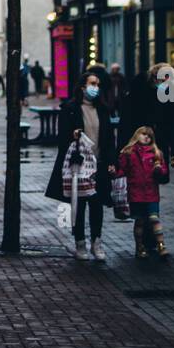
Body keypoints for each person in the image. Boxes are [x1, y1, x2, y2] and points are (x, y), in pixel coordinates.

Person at [45, 71, 115, 262]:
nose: (96, 88)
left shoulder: (102, 109)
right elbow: (61, 138)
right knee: (79, 205)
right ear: (82, 87)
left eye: (98, 84)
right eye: (93, 84)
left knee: (97, 205)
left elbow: (109, 138)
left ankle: (96, 243)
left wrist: (111, 162)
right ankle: (80, 243)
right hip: (79, 165)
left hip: (98, 164)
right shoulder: (71, 108)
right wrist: (72, 134)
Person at [117, 124, 170, 259]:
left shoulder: (156, 153)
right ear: (136, 135)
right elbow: (122, 170)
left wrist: (159, 171)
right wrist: (114, 173)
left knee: (154, 218)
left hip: (151, 192)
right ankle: (140, 247)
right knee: (139, 221)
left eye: (149, 136)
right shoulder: (128, 152)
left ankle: (161, 244)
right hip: (136, 193)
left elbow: (163, 171)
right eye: (143, 134)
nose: (146, 137)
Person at [122, 63, 174, 177]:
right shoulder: (139, 89)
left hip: (160, 141)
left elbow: (173, 123)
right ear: (155, 78)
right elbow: (127, 120)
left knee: (158, 176)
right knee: (140, 178)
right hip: (140, 141)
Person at [106, 63, 127, 154]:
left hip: (119, 98)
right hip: (112, 99)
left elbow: (125, 86)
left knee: (120, 112)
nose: (115, 70)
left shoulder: (121, 77)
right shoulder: (109, 77)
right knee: (111, 113)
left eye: (116, 69)